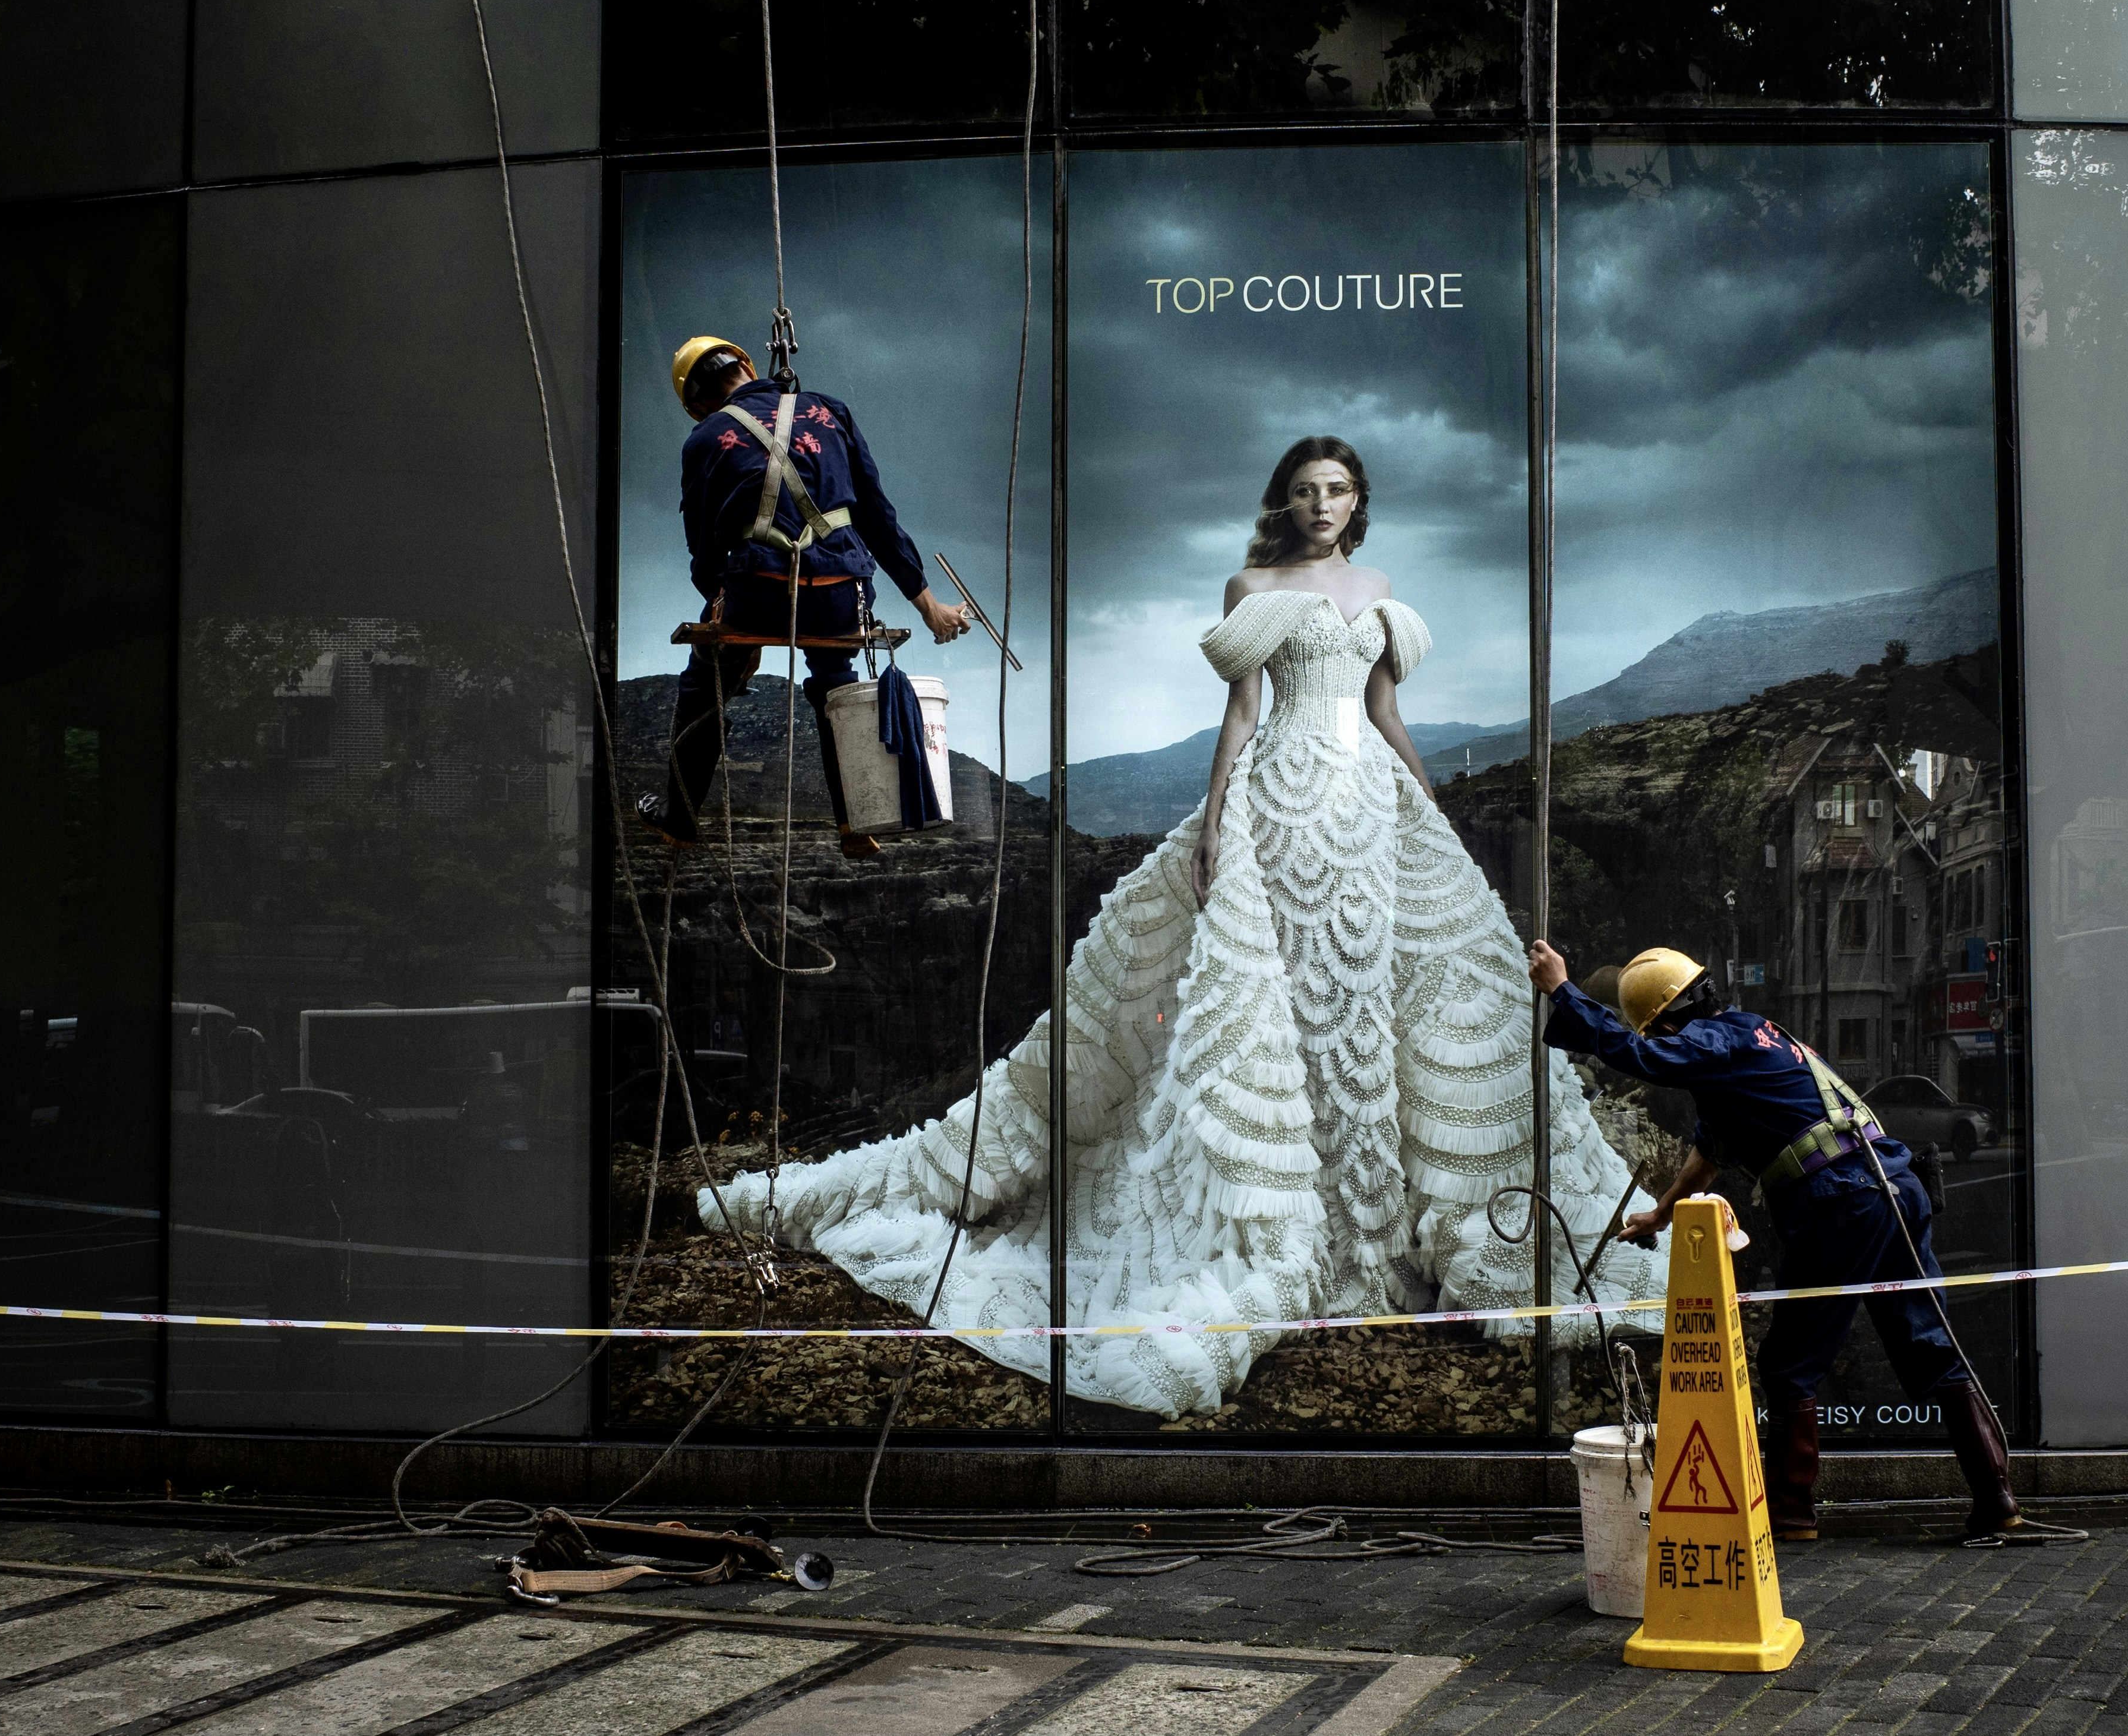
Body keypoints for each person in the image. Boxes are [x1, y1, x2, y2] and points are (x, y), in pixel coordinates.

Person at [697, 435, 1665, 1417]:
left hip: (1371, 813)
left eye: (1334, 490)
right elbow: (1242, 711)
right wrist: (1214, 820)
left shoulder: (1377, 584)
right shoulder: (1250, 587)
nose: (1319, 503)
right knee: (1281, 1006)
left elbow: (1382, 712)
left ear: (1354, 500)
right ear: (1285, 503)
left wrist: (1432, 816)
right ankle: (1296, 1230)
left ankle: (1397, 1231)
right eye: (1303, 491)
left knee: (1394, 1001)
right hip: (1280, 810)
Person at [1526, 939, 2025, 1542]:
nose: (1661, 1046)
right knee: (1929, 1344)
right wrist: (1661, 1215)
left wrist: (1561, 988)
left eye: (1659, 1032)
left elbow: (1642, 1058)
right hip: (1893, 1187)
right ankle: (1995, 1497)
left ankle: (1789, 1512)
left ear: (1670, 1019)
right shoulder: (1754, 1040)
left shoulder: (1718, 1042)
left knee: (1789, 1363)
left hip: (1846, 1200)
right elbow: (1710, 1150)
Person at [637, 337, 972, 860]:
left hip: (756, 590)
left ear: (696, 403)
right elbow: (878, 517)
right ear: (746, 363)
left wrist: (726, 620)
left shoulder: (704, 437)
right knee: (836, 682)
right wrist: (928, 604)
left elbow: (702, 549)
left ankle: (679, 817)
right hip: (841, 592)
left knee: (707, 678)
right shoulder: (829, 411)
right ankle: (854, 821)